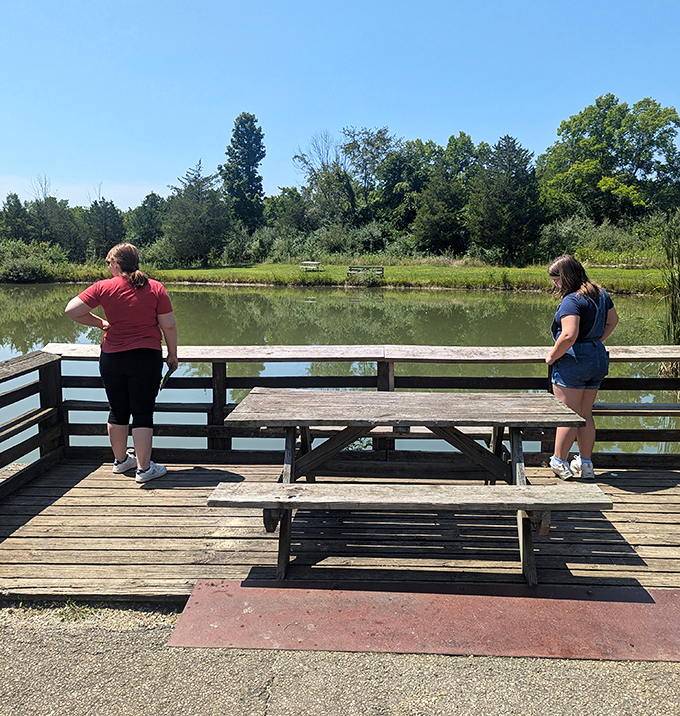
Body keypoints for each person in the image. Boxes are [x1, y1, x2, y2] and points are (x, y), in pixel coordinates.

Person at [65, 243, 178, 484]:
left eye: (109, 263)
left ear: (116, 264)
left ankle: (120, 462)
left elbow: (72, 310)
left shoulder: (103, 287)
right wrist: (172, 355)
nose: (108, 267)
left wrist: (101, 323)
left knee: (117, 410)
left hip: (112, 358)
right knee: (143, 413)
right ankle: (144, 469)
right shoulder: (155, 287)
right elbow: (168, 325)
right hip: (145, 357)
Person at [545, 255, 619, 480]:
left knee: (567, 415)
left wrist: (551, 356)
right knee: (585, 413)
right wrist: (595, 341)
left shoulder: (571, 300)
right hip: (596, 358)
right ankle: (585, 464)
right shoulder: (601, 294)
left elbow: (569, 335)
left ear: (567, 277)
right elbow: (613, 321)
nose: (554, 285)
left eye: (556, 280)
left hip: (574, 362)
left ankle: (559, 461)